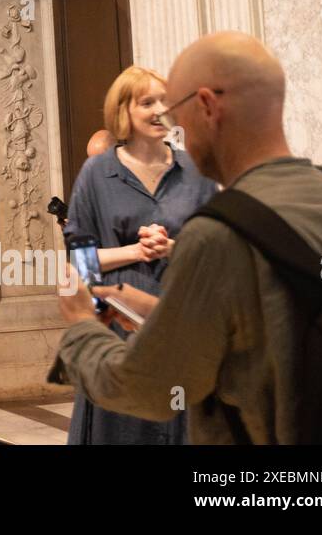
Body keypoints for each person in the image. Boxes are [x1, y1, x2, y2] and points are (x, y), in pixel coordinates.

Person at [54, 31, 322, 443]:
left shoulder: (217, 235)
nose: (169, 121)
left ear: (205, 106)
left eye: (174, 108)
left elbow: (149, 387)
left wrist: (81, 325)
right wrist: (139, 301)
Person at [60, 66, 218, 444]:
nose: (160, 109)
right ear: (123, 111)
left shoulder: (195, 170)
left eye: (166, 100)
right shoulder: (97, 173)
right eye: (148, 102)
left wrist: (173, 247)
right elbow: (78, 262)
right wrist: (134, 249)